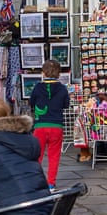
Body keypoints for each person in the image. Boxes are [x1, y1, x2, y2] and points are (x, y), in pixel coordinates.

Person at [29, 59, 69, 191]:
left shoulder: (37, 87)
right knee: (54, 156)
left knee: (37, 156)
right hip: (56, 126)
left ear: (43, 73)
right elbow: (66, 105)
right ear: (59, 74)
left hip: (40, 126)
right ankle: (51, 183)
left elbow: (31, 102)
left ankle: (35, 182)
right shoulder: (62, 89)